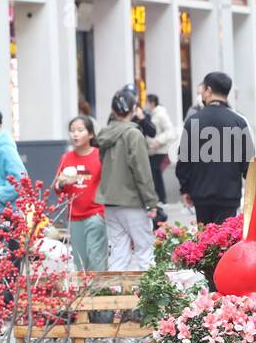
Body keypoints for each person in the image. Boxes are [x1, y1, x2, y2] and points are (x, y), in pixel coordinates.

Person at [176, 71, 254, 227]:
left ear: (209, 90)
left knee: (204, 244)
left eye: (203, 90)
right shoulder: (239, 122)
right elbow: (249, 165)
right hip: (229, 195)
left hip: (201, 195)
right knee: (224, 242)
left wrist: (185, 188)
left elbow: (184, 160)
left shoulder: (193, 121)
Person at [96, 89, 159, 271]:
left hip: (110, 201)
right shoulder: (133, 134)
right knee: (145, 249)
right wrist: (151, 202)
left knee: (118, 251)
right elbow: (141, 171)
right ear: (133, 108)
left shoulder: (105, 134)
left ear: (113, 110)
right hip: (133, 200)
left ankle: (115, 294)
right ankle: (149, 295)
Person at [54, 115, 106, 272]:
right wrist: (62, 182)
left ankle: (100, 293)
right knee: (80, 261)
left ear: (90, 134)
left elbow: (108, 183)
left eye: (80, 130)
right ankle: (85, 294)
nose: (75, 134)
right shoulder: (66, 157)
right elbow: (57, 187)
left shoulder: (99, 155)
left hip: (95, 213)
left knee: (96, 257)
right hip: (74, 216)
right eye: (72, 131)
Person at [144, 93, 177, 205]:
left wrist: (158, 140)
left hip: (160, 150)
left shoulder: (161, 114)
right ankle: (160, 198)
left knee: (155, 172)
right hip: (153, 150)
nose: (145, 105)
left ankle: (161, 199)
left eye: (147, 102)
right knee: (155, 173)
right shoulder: (152, 114)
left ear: (152, 103)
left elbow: (170, 132)